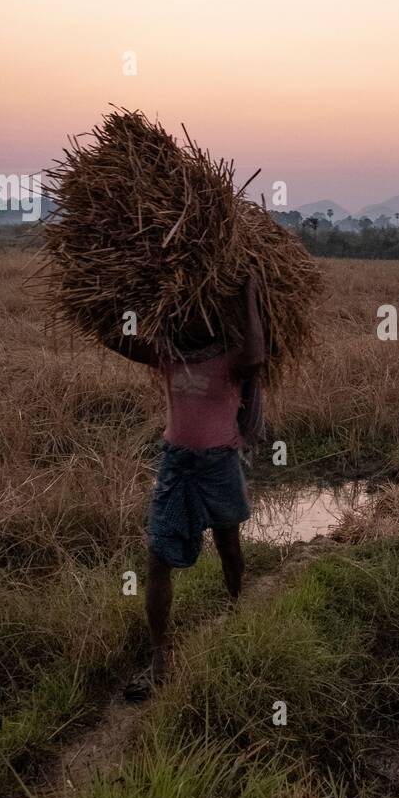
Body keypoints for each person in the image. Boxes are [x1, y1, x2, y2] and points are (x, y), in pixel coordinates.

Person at [101, 276, 266, 698]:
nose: (189, 319)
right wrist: (120, 293)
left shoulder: (231, 356)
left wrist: (248, 295)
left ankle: (236, 612)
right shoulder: (167, 353)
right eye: (183, 311)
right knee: (158, 559)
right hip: (176, 464)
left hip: (219, 463)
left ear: (212, 319)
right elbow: (117, 339)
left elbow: (256, 355)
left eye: (198, 312)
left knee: (229, 545)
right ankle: (160, 656)